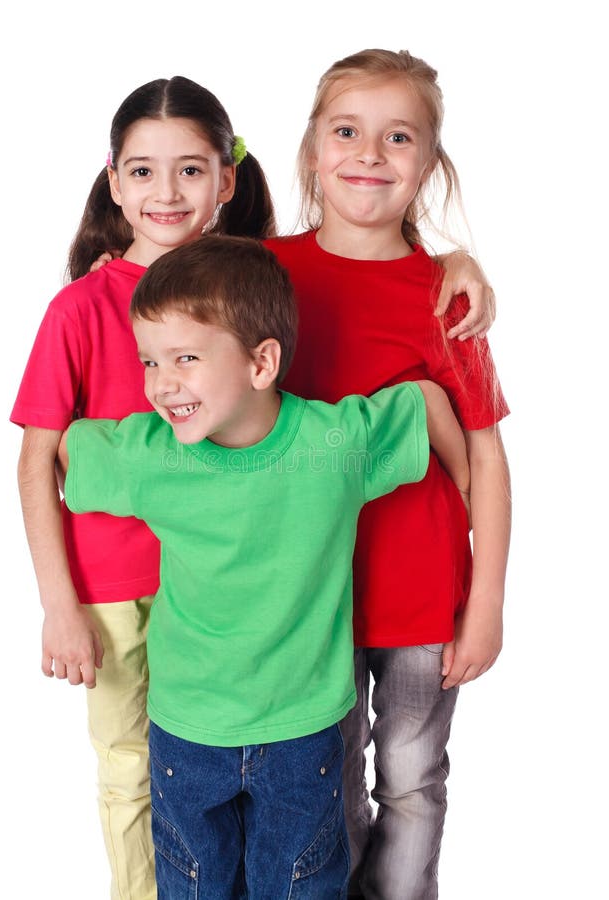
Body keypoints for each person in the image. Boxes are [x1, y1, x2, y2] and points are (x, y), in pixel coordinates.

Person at [58, 234, 471, 899]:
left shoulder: (334, 444)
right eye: (149, 361)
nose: (162, 384)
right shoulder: (153, 450)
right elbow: (424, 404)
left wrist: (471, 499)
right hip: (187, 733)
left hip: (301, 733)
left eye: (185, 358)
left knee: (296, 886)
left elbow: (424, 400)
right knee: (200, 887)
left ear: (262, 362)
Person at [11, 76, 275, 900]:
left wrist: (455, 259)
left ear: (226, 181)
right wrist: (60, 605)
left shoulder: (260, 285)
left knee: (242, 769)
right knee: (132, 768)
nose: (167, 193)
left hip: (229, 577)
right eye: (143, 171)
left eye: (191, 170)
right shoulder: (81, 308)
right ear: (114, 181)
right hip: (117, 588)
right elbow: (34, 462)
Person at [263, 48, 512, 899]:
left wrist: (485, 604)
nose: (369, 153)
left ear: (428, 166)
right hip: (306, 593)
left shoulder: (445, 296)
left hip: (420, 589)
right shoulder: (263, 276)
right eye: (346, 131)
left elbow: (486, 456)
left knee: (411, 781)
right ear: (309, 152)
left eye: (397, 136)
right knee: (321, 785)